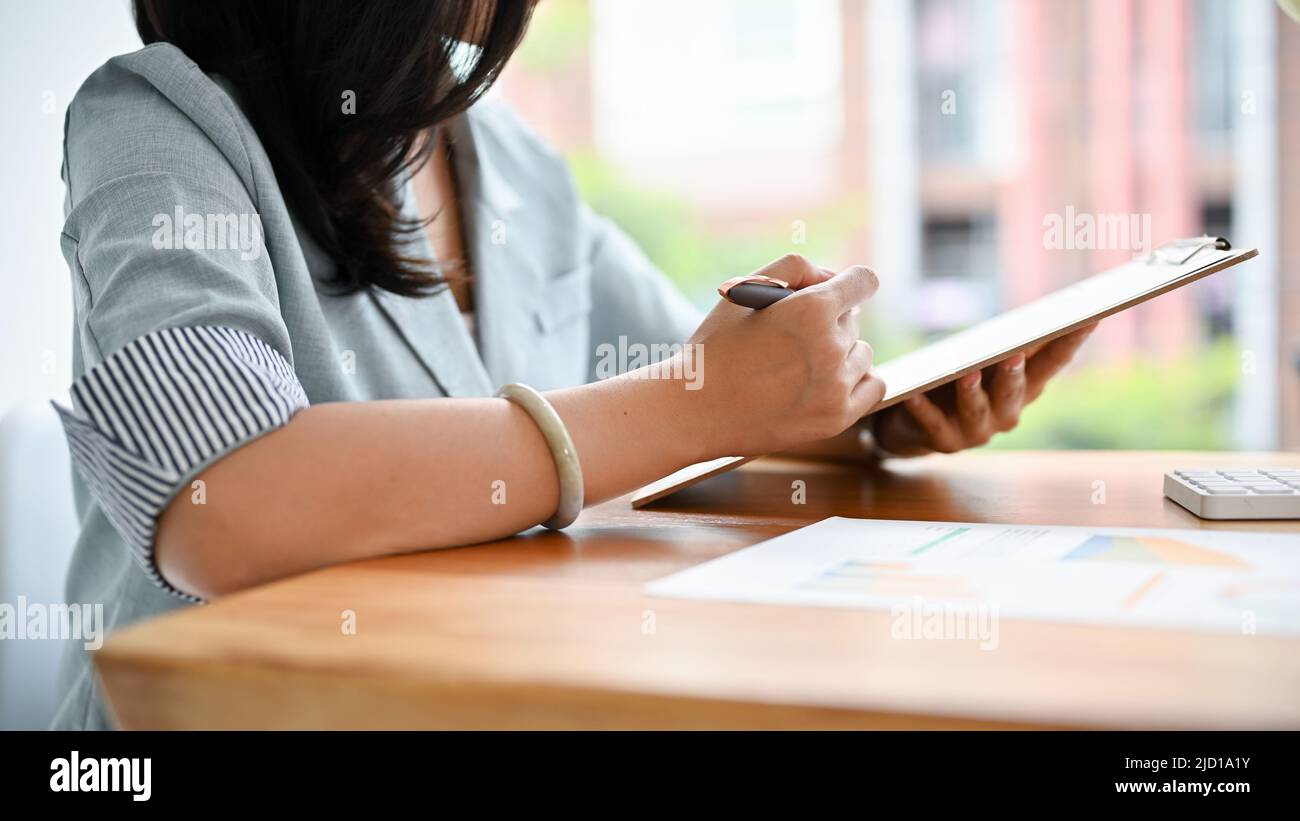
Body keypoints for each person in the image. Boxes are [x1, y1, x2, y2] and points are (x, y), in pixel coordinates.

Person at [51, 0, 1093, 729]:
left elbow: (689, 404)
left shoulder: (507, 161)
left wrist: (857, 417)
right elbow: (222, 500)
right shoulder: (159, 126)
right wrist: (701, 406)